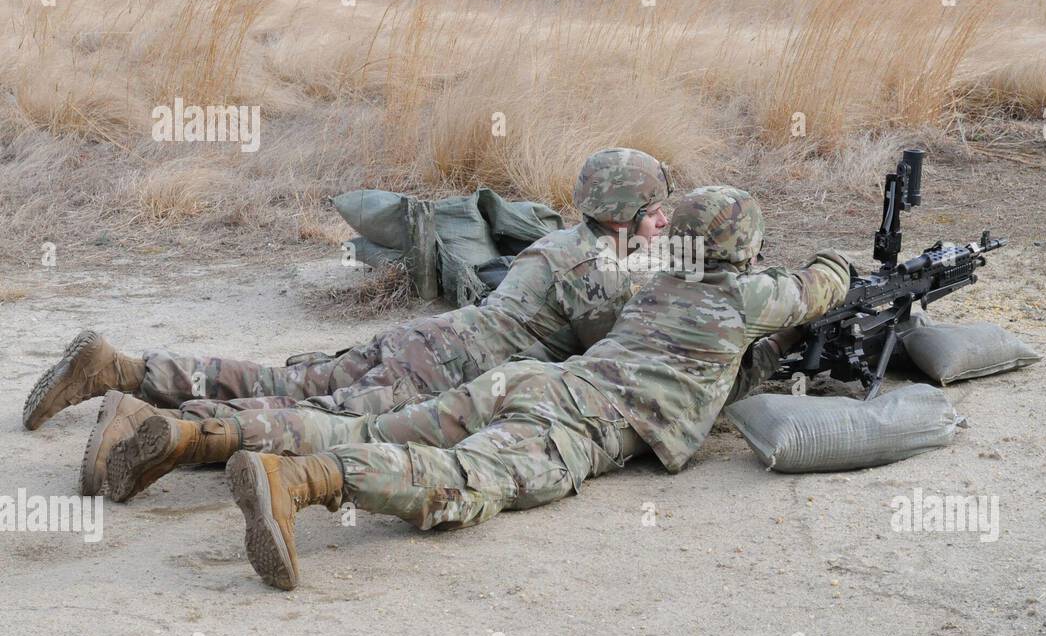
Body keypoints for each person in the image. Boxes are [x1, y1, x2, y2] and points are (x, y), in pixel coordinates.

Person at [219, 185, 851, 590]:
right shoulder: (746, 297)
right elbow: (818, 288)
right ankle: (298, 481)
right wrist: (841, 265)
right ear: (745, 247)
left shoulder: (654, 284)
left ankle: (223, 434)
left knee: (378, 425)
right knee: (464, 482)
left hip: (537, 379)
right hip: (580, 422)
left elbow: (718, 363)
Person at [23, 148, 672, 497]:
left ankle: (126, 371)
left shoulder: (562, 241)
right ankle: (157, 429)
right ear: (622, 211)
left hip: (426, 341)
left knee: (293, 384)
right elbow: (615, 353)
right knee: (322, 422)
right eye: (654, 210)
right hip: (451, 365)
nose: (664, 221)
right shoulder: (598, 268)